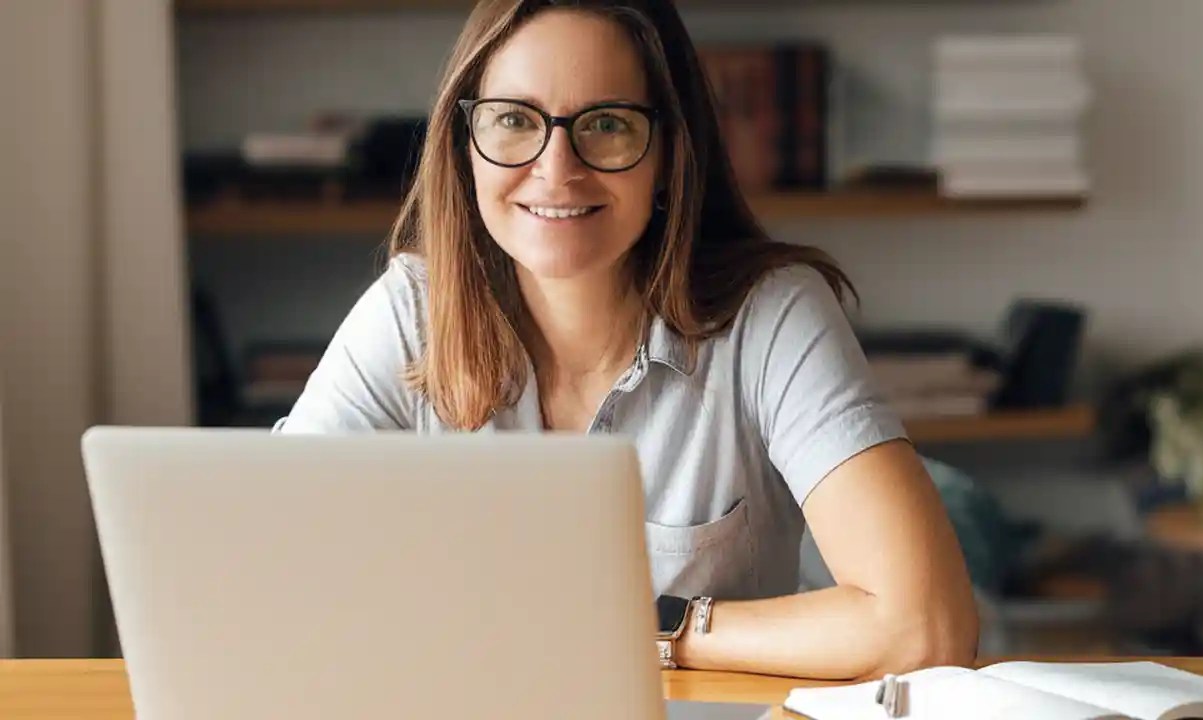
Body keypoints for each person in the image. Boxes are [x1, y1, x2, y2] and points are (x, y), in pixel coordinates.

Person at [278, 0, 978, 680]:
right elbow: (266, 567)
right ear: (465, 147)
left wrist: (652, 624)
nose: (557, 168)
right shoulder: (410, 313)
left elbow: (925, 624)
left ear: (669, 155)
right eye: (515, 120)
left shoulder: (771, 316)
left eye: (607, 124)